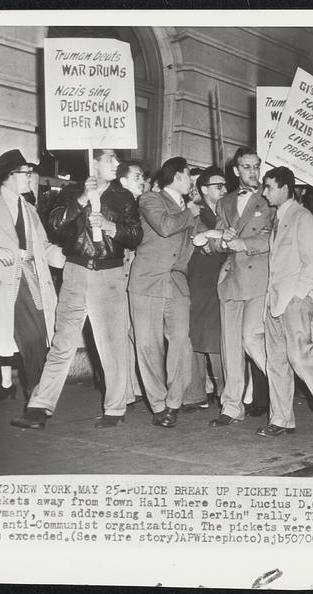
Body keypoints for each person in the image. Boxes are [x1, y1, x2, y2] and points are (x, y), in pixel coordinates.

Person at [10, 149, 142, 429]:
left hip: (109, 274)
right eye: (110, 158)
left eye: (117, 159)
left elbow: (135, 236)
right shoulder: (71, 192)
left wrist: (110, 226)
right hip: (75, 272)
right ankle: (39, 407)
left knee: (112, 347)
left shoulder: (123, 197)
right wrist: (82, 198)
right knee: (62, 343)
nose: (116, 164)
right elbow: (56, 224)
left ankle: (115, 408)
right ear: (93, 161)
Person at [0, 150, 64, 403]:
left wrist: (69, 257)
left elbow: (43, 247)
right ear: (10, 175)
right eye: (26, 173)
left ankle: (37, 402)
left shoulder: (30, 210)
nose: (30, 177)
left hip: (27, 281)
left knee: (36, 339)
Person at [259, 166, 313, 436]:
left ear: (285, 188)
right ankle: (280, 420)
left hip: (294, 300)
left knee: (299, 357)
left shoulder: (302, 217)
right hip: (274, 301)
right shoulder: (277, 218)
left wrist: (298, 296)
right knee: (276, 362)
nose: (264, 192)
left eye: (269, 187)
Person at [128, 156, 200, 428]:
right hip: (147, 281)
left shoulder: (191, 208)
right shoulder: (151, 199)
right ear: (178, 176)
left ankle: (174, 402)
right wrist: (190, 213)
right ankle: (159, 404)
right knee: (148, 345)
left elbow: (198, 239)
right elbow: (166, 226)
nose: (191, 181)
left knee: (181, 342)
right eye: (189, 175)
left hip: (177, 282)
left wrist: (219, 238)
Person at [209, 148, 275, 428]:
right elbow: (214, 243)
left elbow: (275, 239)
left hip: (259, 279)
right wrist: (222, 240)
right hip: (231, 281)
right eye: (246, 167)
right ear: (236, 171)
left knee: (251, 338)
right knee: (230, 347)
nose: (252, 172)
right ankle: (232, 406)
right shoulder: (224, 202)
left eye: (256, 166)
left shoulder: (269, 199)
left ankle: (283, 382)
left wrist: (244, 244)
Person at [187, 167, 228, 411]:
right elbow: (203, 244)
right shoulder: (195, 212)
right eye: (218, 186)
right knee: (196, 335)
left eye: (224, 185)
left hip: (221, 279)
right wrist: (222, 235)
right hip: (199, 278)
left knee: (217, 337)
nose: (223, 190)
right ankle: (196, 393)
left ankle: (225, 392)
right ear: (204, 189)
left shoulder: (227, 211)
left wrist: (214, 233)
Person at [115, 160, 146, 406]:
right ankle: (127, 389)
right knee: (122, 332)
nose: (142, 181)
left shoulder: (145, 206)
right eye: (137, 176)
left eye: (143, 176)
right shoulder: (115, 206)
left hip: (140, 277)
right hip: (120, 275)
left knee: (138, 332)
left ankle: (138, 386)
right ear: (123, 181)